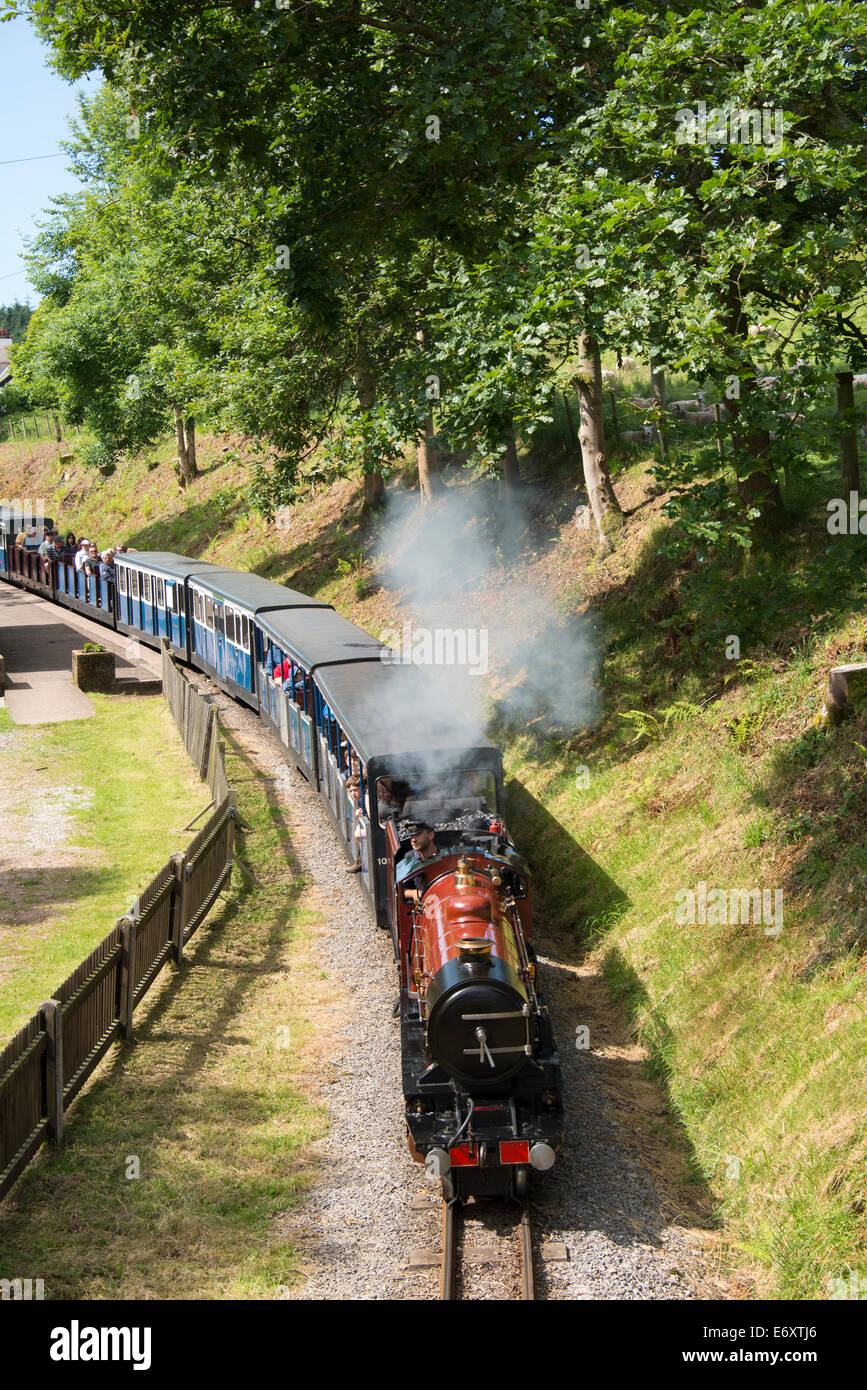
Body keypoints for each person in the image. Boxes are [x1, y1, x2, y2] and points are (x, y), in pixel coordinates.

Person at [400, 822, 442, 904]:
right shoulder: (408, 859)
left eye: (418, 835)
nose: (413, 840)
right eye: (411, 836)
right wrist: (413, 893)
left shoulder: (447, 854)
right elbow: (400, 890)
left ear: (431, 835)